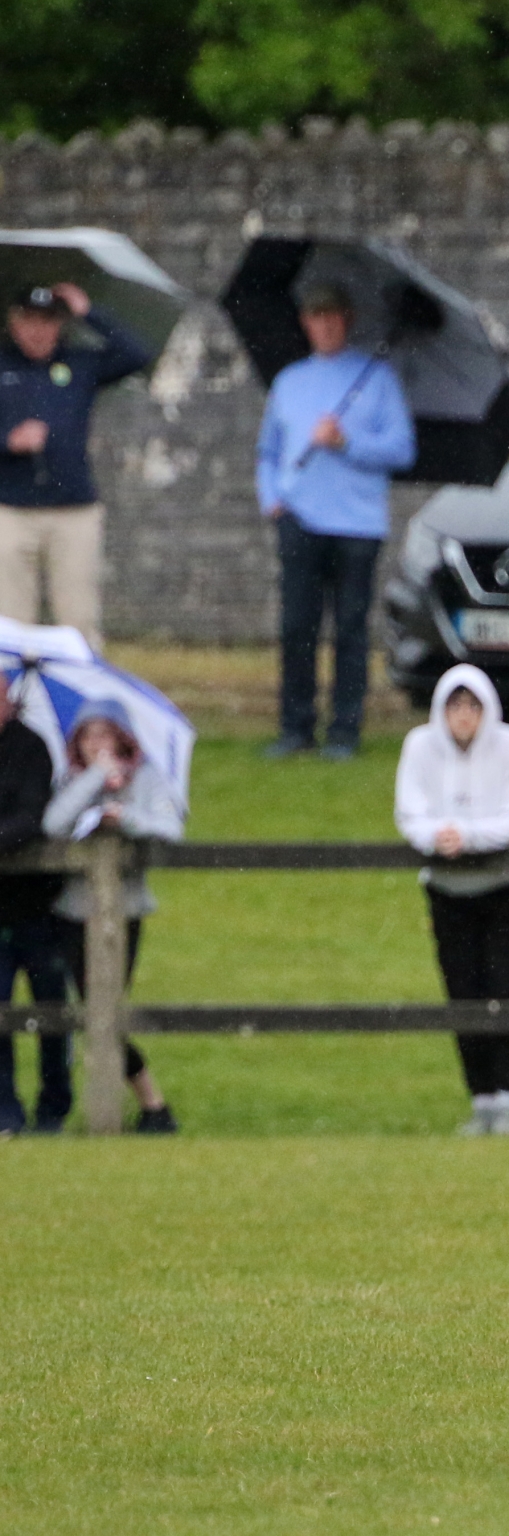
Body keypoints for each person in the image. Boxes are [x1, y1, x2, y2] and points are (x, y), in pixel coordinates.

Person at [255, 282, 416, 761]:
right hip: (299, 519)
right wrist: (272, 498)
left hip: (357, 525)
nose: (323, 326)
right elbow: (268, 452)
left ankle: (345, 730)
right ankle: (295, 727)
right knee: (297, 627)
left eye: (332, 316)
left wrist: (347, 442)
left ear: (346, 320)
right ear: (305, 323)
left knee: (349, 630)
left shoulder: (377, 379)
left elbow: (401, 450)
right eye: (315, 317)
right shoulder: (290, 381)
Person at [395, 664, 509, 1136]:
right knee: (463, 992)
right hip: (448, 889)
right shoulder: (420, 745)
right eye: (455, 706)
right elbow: (409, 812)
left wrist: (470, 836)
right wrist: (437, 836)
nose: (463, 716)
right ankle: (482, 1100)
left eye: (472, 706)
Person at [43, 698, 182, 1133]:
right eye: (88, 736)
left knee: (105, 1009)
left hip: (125, 910)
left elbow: (169, 826)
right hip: (74, 910)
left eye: (104, 734)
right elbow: (55, 823)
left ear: (122, 737)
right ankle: (153, 1106)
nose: (96, 743)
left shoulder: (147, 778)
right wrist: (95, 779)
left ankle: (152, 1106)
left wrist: (124, 816)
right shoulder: (71, 778)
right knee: (91, 1009)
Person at [0, 283, 151, 645]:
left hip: (73, 510)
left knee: (78, 618)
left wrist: (89, 311)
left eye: (48, 321)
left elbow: (138, 354)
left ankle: (78, 683)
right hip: (10, 511)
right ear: (14, 322)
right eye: (30, 320)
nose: (38, 330)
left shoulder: (80, 363)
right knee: (11, 624)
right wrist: (8, 441)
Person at [0, 678, 69, 1134]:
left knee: (52, 1012)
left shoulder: (31, 748)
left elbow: (31, 817)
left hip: (38, 906)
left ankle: (53, 1108)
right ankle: (5, 1111)